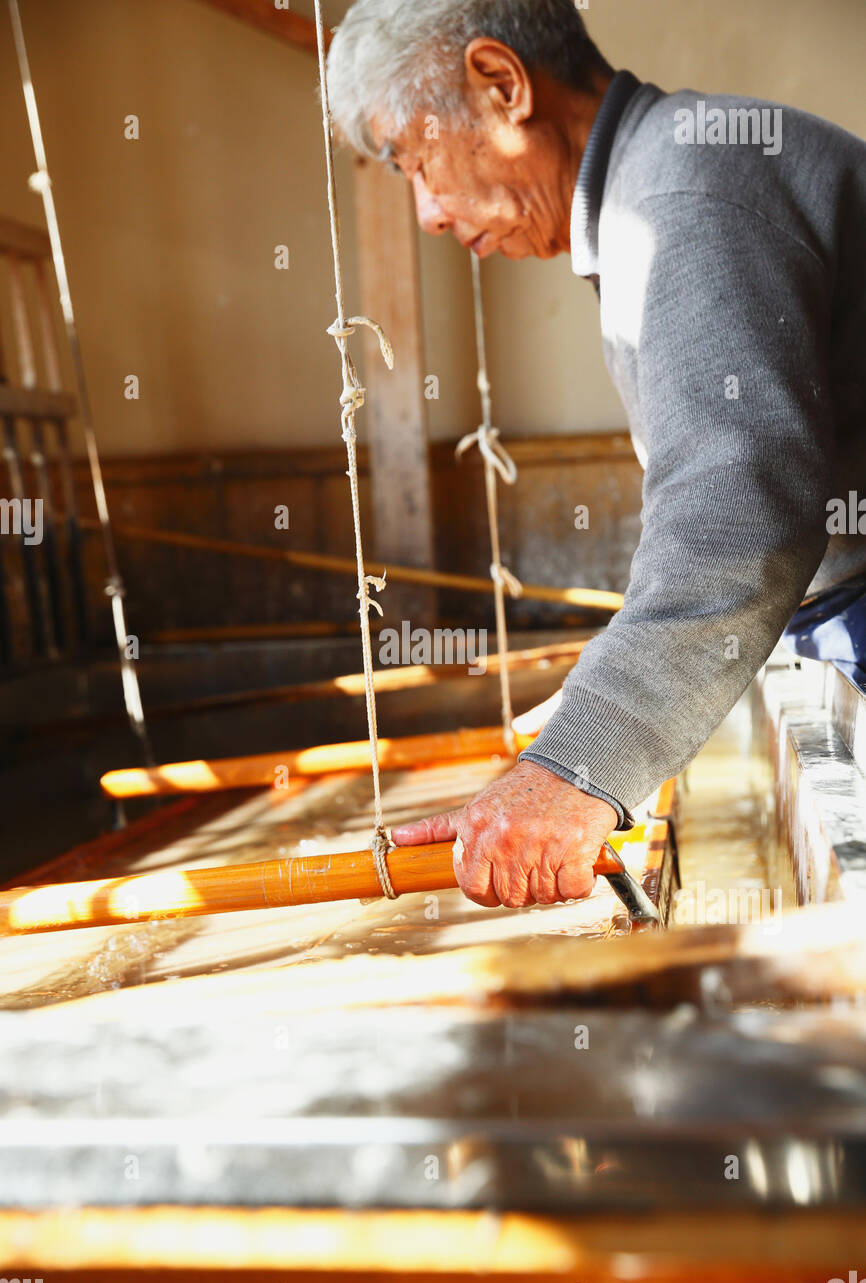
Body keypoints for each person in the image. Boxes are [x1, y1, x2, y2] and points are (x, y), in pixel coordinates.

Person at [327, 0, 866, 910]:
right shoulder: (667, 178)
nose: (424, 212)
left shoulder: (683, 195)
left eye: (415, 160)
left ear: (501, 86)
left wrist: (586, 758)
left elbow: (739, 521)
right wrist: (606, 697)